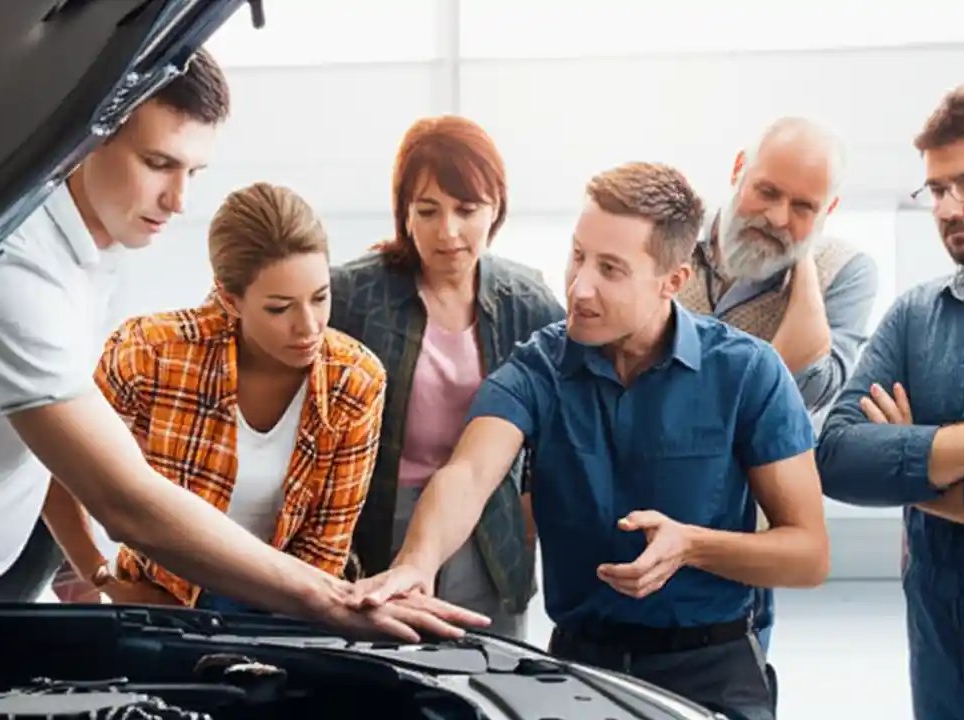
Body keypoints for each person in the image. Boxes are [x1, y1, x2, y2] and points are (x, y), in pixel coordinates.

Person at [0, 47, 483, 642]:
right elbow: (124, 498)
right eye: (159, 163)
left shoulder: (93, 253)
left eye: (194, 172)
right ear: (86, 138)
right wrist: (327, 599)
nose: (179, 200)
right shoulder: (11, 270)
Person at [352, 161, 830, 719]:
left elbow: (809, 555)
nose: (579, 288)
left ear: (672, 281)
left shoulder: (748, 372)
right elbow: (469, 474)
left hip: (714, 671)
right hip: (578, 667)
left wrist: (692, 546)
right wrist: (417, 561)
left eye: (610, 269)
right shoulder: (538, 367)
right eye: (578, 255)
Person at [817, 79, 964, 720]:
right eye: (937, 188)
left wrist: (908, 462)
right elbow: (837, 458)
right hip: (938, 657)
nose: (950, 206)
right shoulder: (914, 315)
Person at [44, 181, 383, 610]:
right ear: (230, 298)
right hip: (158, 605)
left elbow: (325, 551)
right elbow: (56, 469)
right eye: (280, 308)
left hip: (287, 607)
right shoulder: (150, 352)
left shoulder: (355, 380)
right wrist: (100, 576)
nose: (309, 326)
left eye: (320, 297)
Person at [329, 116, 564, 640]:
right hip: (378, 520)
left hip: (492, 524)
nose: (448, 231)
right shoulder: (351, 294)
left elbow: (557, 421)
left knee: (490, 666)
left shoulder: (529, 300)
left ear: (496, 208)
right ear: (403, 213)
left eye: (467, 209)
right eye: (427, 210)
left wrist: (526, 510)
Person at [677, 116, 879, 654]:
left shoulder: (847, 272)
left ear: (827, 213)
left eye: (803, 208)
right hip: (641, 507)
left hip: (747, 539)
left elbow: (809, 387)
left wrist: (803, 262)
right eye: (767, 192)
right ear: (739, 170)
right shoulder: (667, 238)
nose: (776, 217)